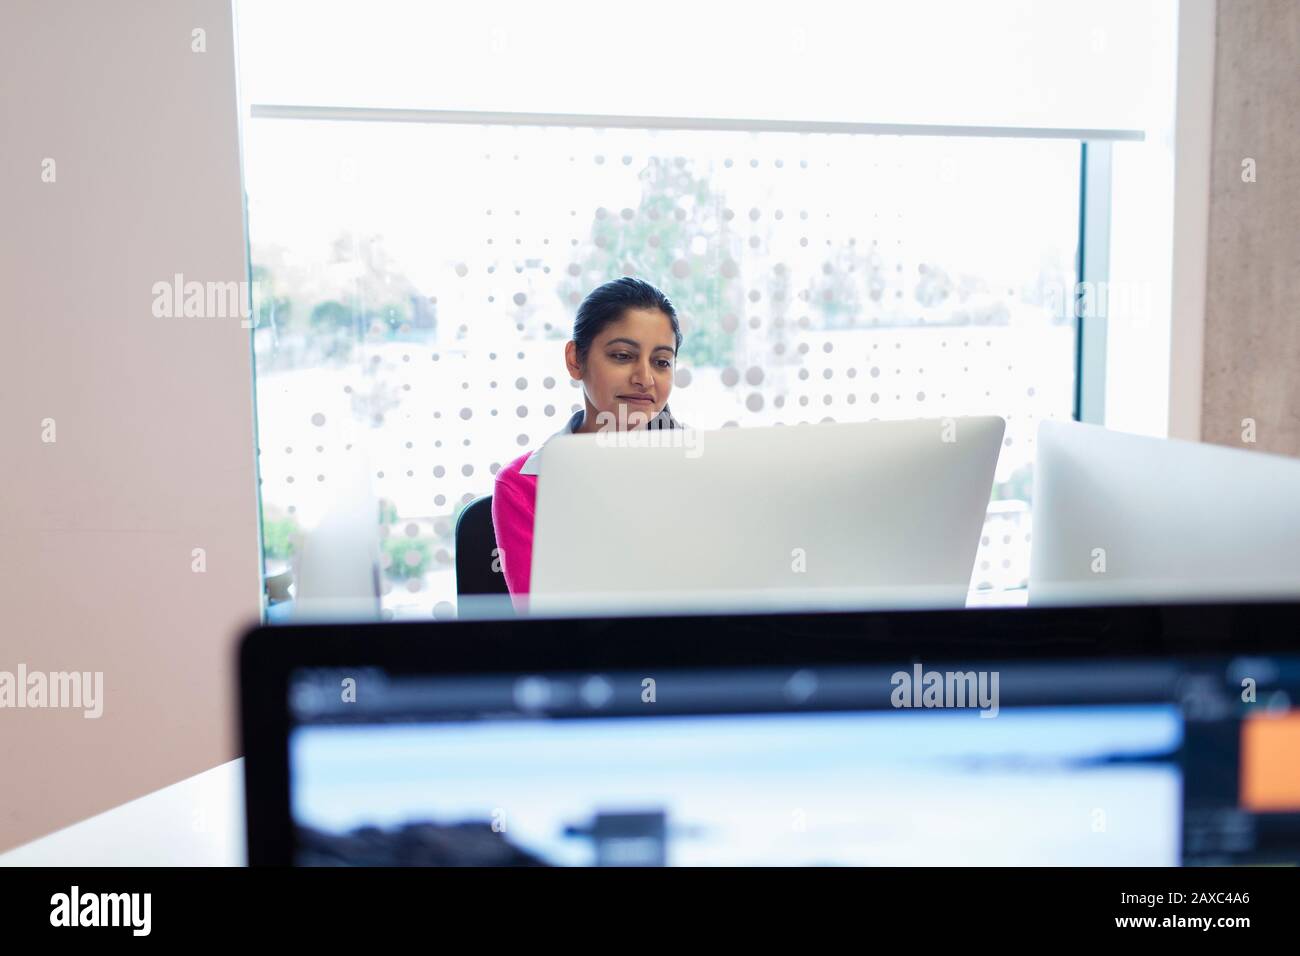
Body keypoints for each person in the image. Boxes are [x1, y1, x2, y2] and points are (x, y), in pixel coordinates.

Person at [492, 276, 684, 608]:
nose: (645, 379)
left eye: (661, 362)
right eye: (623, 356)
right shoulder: (523, 485)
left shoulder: (704, 468)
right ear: (575, 360)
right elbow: (549, 620)